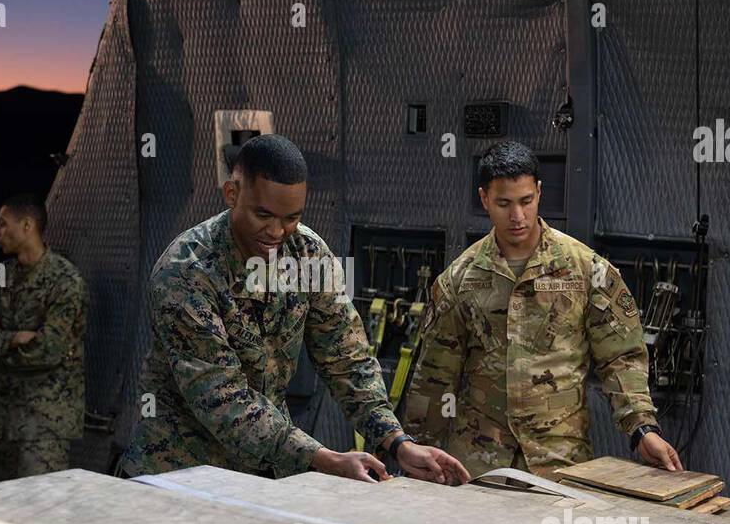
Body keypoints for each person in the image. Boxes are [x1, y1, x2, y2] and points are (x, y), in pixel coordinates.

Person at [118, 133, 468, 484]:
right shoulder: (187, 271)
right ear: (232, 194)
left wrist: (397, 442)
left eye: (291, 217)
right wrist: (322, 458)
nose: (276, 231)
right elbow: (222, 399)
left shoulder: (306, 255)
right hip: (180, 473)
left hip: (264, 475)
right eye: (263, 214)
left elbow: (347, 358)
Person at [402, 140, 681, 480]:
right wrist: (417, 451)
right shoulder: (460, 280)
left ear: (539, 192)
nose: (517, 216)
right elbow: (434, 376)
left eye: (526, 201)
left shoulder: (585, 270)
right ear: (484, 199)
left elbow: (620, 357)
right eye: (504, 203)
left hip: (560, 461)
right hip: (480, 463)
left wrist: (641, 429)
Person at [0, 194, 87, 482]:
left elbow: (48, 350)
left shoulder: (65, 280)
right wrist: (14, 339)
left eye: (3, 224)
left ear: (27, 225)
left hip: (42, 425)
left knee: (40, 507)